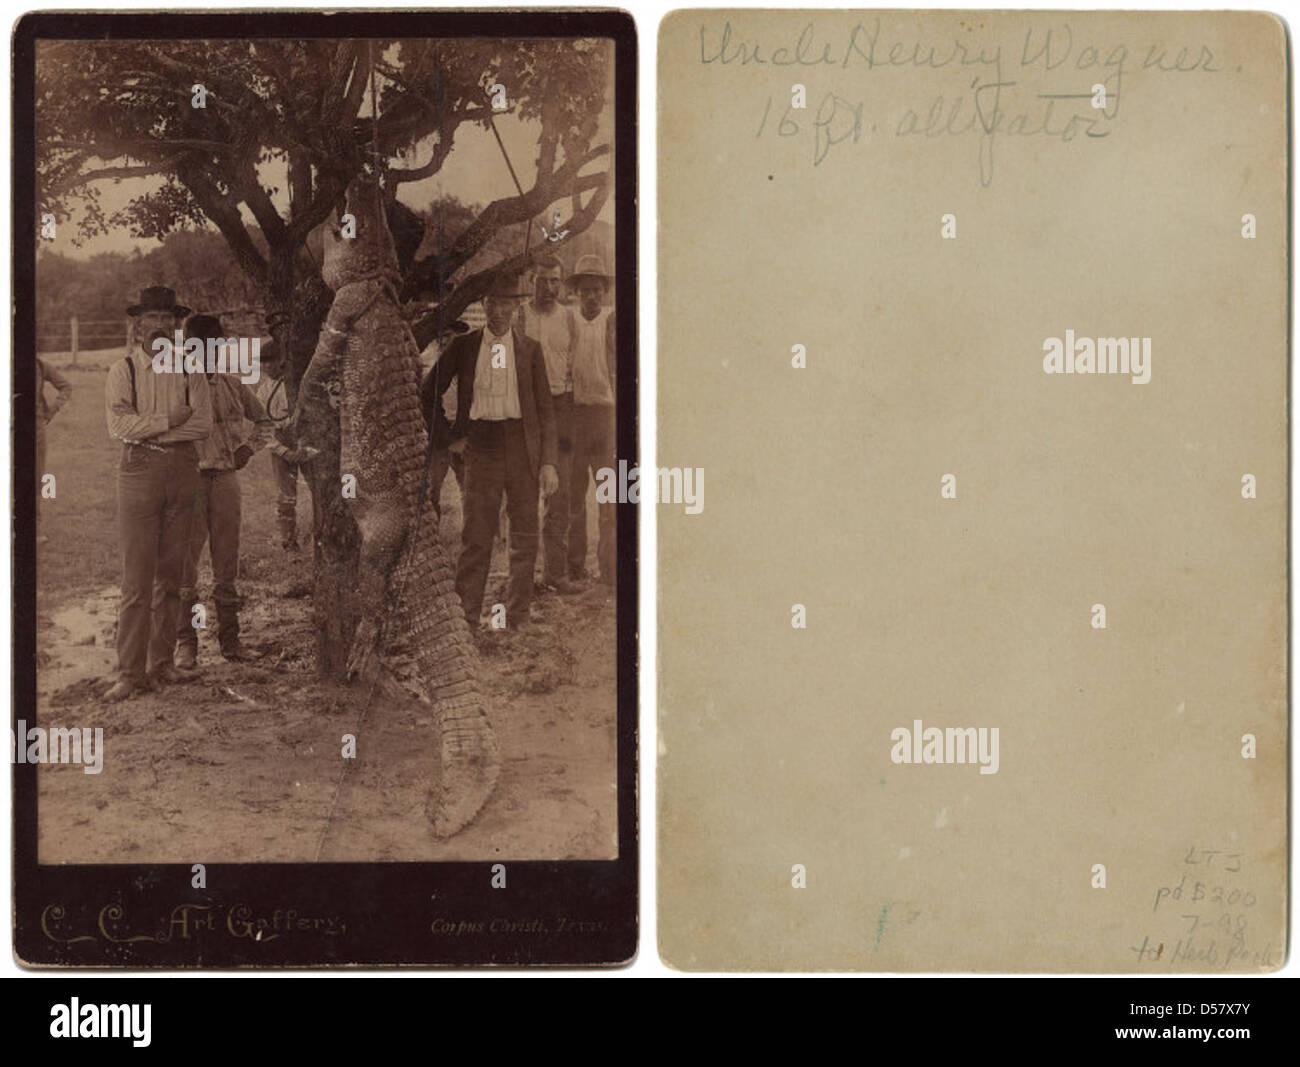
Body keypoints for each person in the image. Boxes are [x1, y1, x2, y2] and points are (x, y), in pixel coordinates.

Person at [428, 271, 558, 631]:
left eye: (506, 304)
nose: (499, 311)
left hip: (522, 449)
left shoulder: (530, 350)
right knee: (477, 536)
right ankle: (466, 619)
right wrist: (449, 437)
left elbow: (546, 410)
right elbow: (428, 391)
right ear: (483, 305)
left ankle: (517, 617)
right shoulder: (464, 347)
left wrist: (548, 462)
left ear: (516, 309)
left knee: (524, 536)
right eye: (492, 303)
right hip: (480, 447)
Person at [103, 285, 212, 702]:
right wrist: (168, 419)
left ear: (177, 325)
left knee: (172, 573)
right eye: (153, 318)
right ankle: (130, 672)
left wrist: (156, 426)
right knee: (136, 578)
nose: (162, 325)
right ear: (139, 324)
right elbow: (119, 428)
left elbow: (202, 425)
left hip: (183, 468)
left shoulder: (190, 368)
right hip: (138, 470)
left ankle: (161, 664)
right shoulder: (123, 371)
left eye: (169, 318)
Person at [176, 314, 274, 669]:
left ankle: (231, 642)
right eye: (197, 347)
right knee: (186, 564)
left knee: (226, 562)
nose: (205, 354)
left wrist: (248, 448)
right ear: (186, 349)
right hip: (189, 483)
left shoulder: (234, 385)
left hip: (226, 480)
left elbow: (265, 420)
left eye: (213, 347)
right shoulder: (176, 386)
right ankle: (186, 644)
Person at [518, 254, 582, 595]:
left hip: (560, 405)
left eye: (555, 280)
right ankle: (523, 577)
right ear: (531, 281)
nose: (549, 287)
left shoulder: (568, 319)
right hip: (527, 410)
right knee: (526, 490)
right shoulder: (519, 316)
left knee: (562, 491)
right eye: (542, 280)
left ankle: (555, 575)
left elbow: (572, 364)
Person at [566, 254, 617, 587]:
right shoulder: (568, 322)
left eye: (597, 289)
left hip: (606, 418)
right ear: (577, 293)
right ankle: (574, 567)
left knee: (609, 496)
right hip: (575, 417)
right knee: (574, 496)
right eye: (585, 290)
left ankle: (609, 568)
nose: (591, 296)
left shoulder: (613, 322)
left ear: (605, 292)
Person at [418, 317, 471, 521]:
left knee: (469, 486)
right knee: (432, 489)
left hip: (463, 431)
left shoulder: (467, 362)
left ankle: (472, 533)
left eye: (451, 337)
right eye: (443, 337)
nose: (446, 342)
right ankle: (432, 536)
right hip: (437, 433)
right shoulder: (428, 360)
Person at [253, 339, 302, 551]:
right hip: (280, 442)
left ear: (282, 361)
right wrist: (283, 451)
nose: (265, 367)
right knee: (285, 495)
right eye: (262, 363)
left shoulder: (296, 384)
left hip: (304, 437)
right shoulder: (263, 391)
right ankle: (288, 541)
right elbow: (264, 428)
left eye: (270, 361)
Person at [36, 356, 73, 534]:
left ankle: (34, 527)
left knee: (36, 475)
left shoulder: (40, 365)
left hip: (35, 427)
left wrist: (52, 410)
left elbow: (65, 386)